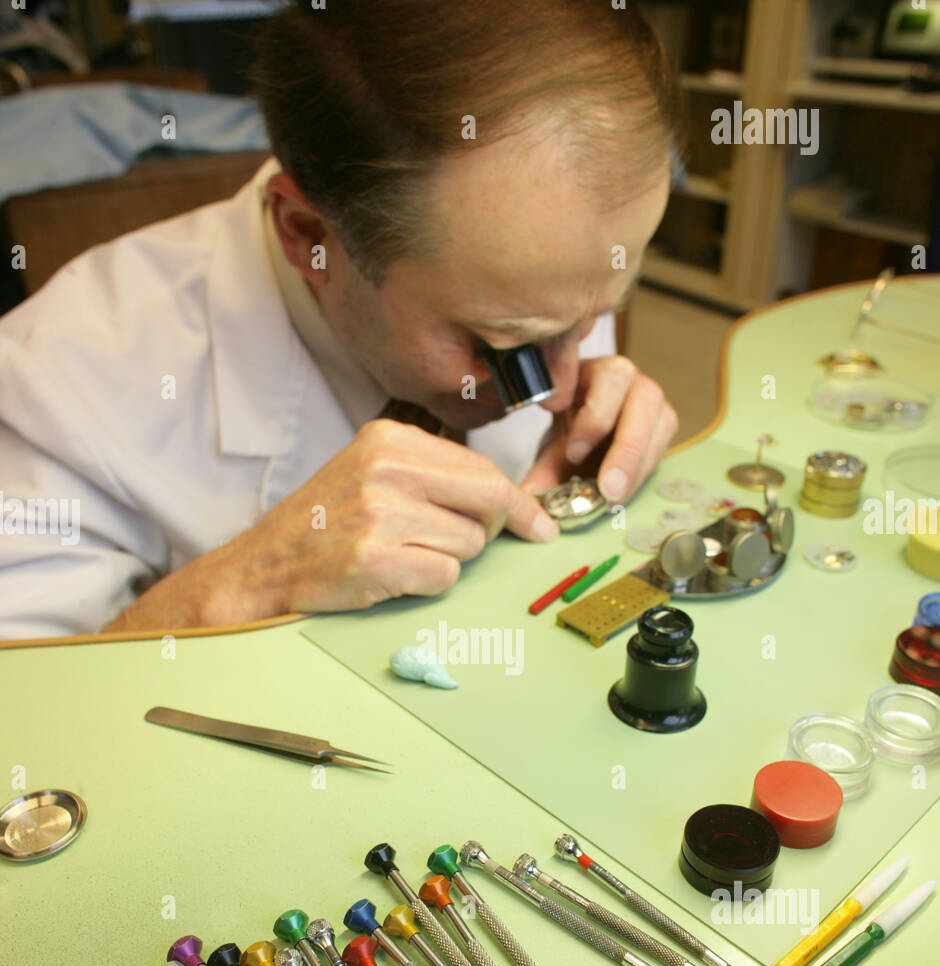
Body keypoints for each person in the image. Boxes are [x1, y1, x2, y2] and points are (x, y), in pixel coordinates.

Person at [0, 0, 682, 639]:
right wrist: (243, 586)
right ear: (308, 236)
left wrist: (597, 460)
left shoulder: (529, 254)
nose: (555, 392)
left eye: (593, 315)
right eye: (506, 345)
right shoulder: (56, 382)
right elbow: (22, 720)